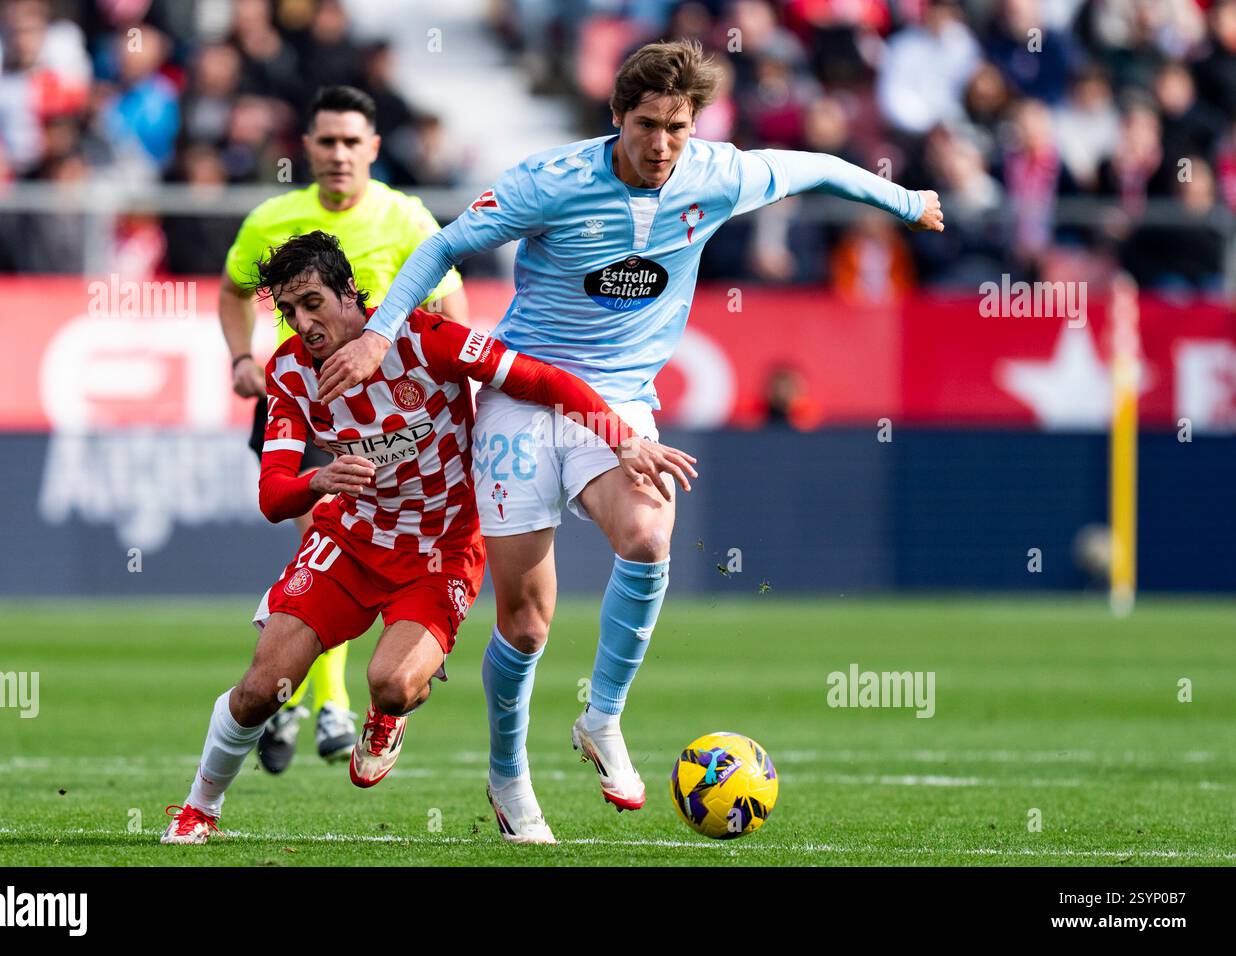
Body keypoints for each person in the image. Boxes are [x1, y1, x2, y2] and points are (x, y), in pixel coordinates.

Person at [316, 39, 943, 843]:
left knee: (649, 534)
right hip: (519, 393)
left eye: (678, 127)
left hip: (617, 402)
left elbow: (818, 165)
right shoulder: (554, 181)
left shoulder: (716, 173)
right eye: (646, 125)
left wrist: (905, 200)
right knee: (527, 624)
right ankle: (508, 776)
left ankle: (601, 717)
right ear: (616, 117)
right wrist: (377, 335)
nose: (661, 145)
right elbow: (441, 245)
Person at [163, 231, 696, 844]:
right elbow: (272, 493)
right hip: (352, 543)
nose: (302, 322)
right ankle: (200, 806)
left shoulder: (427, 337)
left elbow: (540, 381)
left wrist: (619, 434)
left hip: (441, 551)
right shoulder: (288, 372)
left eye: (312, 302)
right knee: (262, 686)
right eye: (289, 310)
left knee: (392, 682)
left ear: (349, 294)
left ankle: (388, 715)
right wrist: (319, 480)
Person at [218, 85, 468, 773]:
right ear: (307, 147)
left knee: (371, 535)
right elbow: (233, 287)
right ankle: (323, 699)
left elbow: (449, 305)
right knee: (316, 534)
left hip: (392, 409)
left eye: (351, 142)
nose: (338, 154)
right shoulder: (272, 217)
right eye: (326, 141)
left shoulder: (406, 215)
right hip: (301, 403)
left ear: (373, 149)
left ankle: (342, 689)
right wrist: (243, 357)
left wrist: (460, 376)